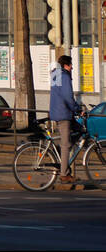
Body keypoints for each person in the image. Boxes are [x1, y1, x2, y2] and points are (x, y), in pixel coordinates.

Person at [49, 55, 84, 186]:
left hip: (59, 112)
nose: (72, 67)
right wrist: (77, 109)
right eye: (70, 65)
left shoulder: (56, 75)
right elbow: (68, 97)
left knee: (79, 130)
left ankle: (62, 151)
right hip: (63, 114)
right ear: (66, 65)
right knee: (66, 145)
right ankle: (64, 174)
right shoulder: (64, 76)